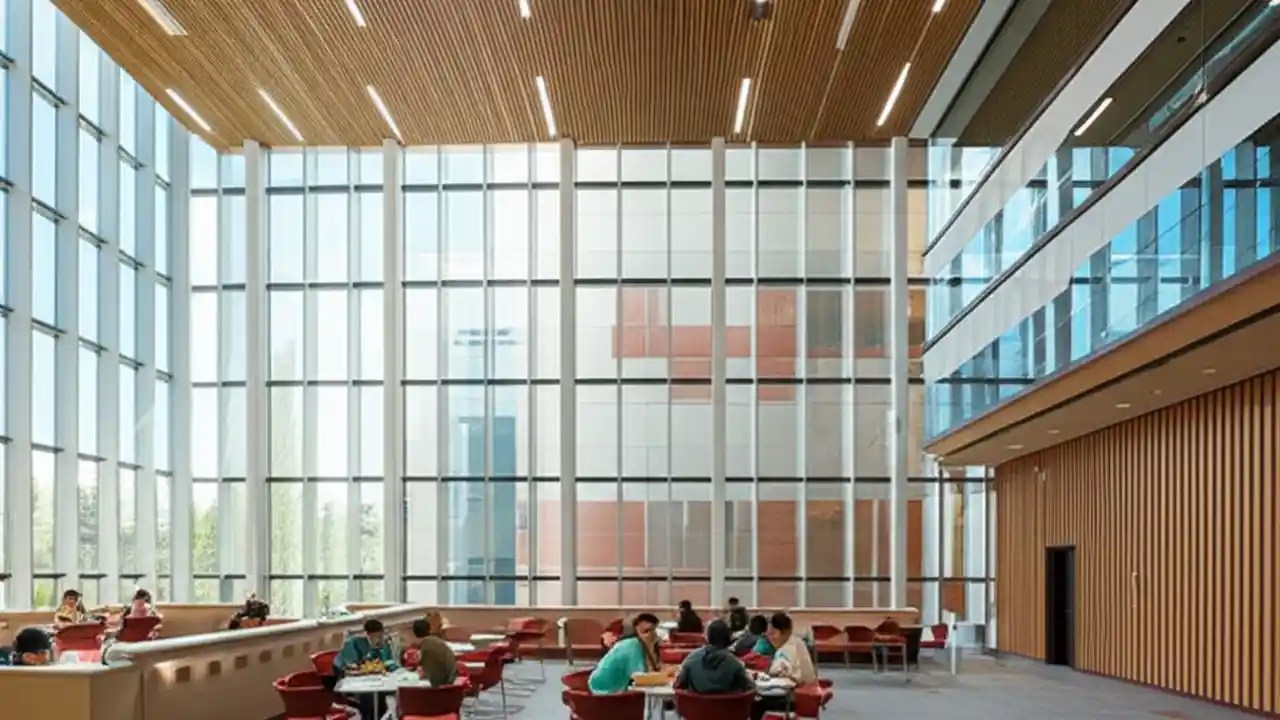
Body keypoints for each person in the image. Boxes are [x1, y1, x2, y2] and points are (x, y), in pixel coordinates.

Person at [751, 613, 817, 720]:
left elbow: (775, 672)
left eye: (772, 633)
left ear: (784, 632)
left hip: (795, 698)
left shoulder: (785, 651)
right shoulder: (798, 642)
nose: (770, 638)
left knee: (756, 702)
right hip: (807, 694)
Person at [588, 612, 662, 694]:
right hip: (605, 691)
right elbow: (640, 678)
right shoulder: (632, 645)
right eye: (646, 631)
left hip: (617, 687)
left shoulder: (643, 644)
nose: (652, 635)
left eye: (654, 630)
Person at [674, 619, 753, 694]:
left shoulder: (691, 659)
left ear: (707, 637)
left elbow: (677, 685)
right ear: (728, 637)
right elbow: (751, 688)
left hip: (696, 707)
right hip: (727, 707)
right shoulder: (735, 664)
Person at [411, 613, 457, 687]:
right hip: (451, 681)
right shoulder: (437, 642)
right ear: (429, 629)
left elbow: (434, 677)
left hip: (443, 686)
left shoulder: (427, 648)